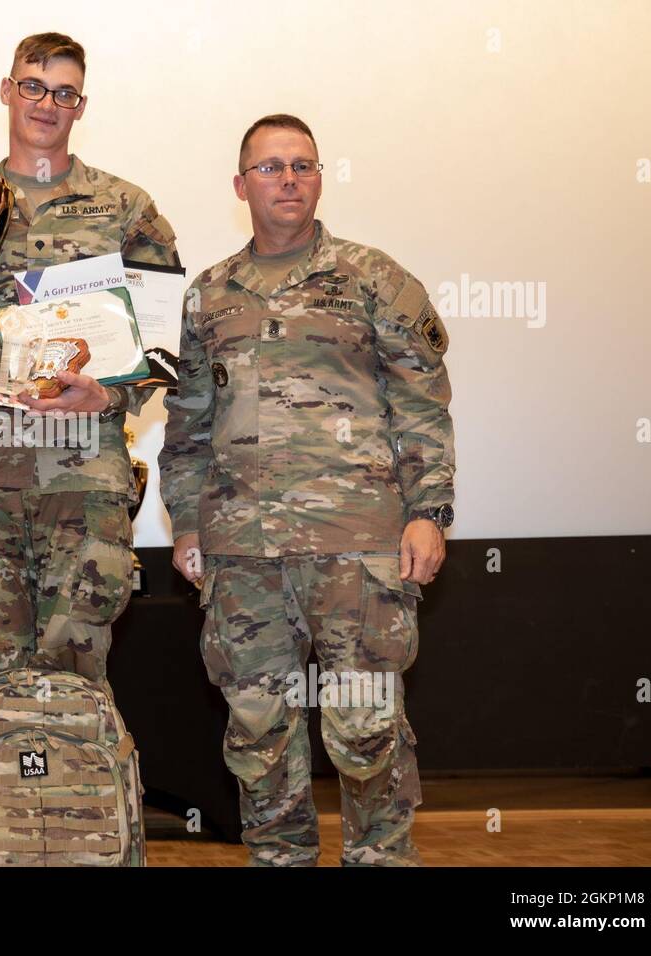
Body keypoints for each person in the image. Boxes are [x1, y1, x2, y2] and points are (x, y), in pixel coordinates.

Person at [160, 113, 455, 866]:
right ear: (240, 185)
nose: (287, 179)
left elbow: (421, 404)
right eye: (270, 167)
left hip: (357, 549)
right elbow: (188, 425)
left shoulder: (376, 279)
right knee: (259, 729)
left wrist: (429, 513)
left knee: (365, 727)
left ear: (319, 178)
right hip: (242, 553)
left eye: (303, 166)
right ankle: (279, 859)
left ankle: (381, 859)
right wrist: (189, 525)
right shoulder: (209, 296)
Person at [0, 32, 179, 693]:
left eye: (63, 93)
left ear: (80, 106)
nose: (45, 104)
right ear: (7, 91)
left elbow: (166, 340)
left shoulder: (127, 209)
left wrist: (111, 399)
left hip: (81, 481)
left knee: (74, 680)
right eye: (32, 86)